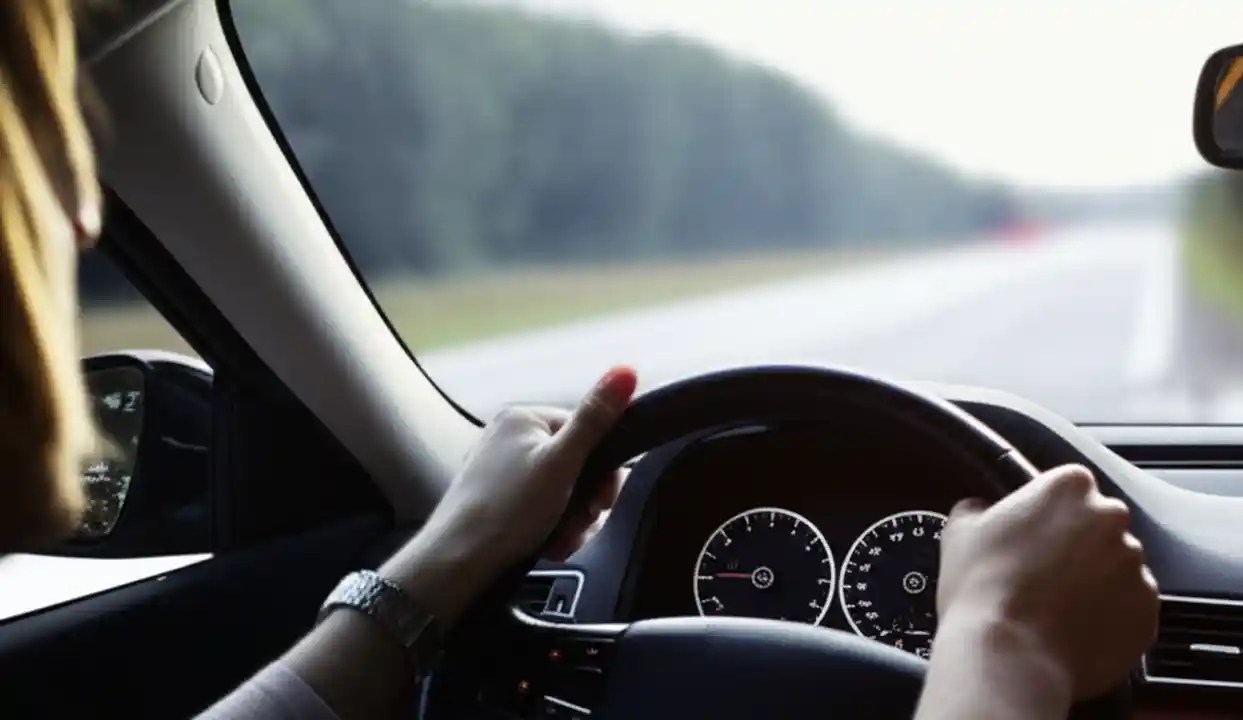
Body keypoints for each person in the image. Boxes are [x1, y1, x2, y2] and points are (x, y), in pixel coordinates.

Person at [1, 2, 1158, 719]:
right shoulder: (1002, 646)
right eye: (40, 135)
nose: (86, 215)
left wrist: (450, 555)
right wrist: (1000, 646)